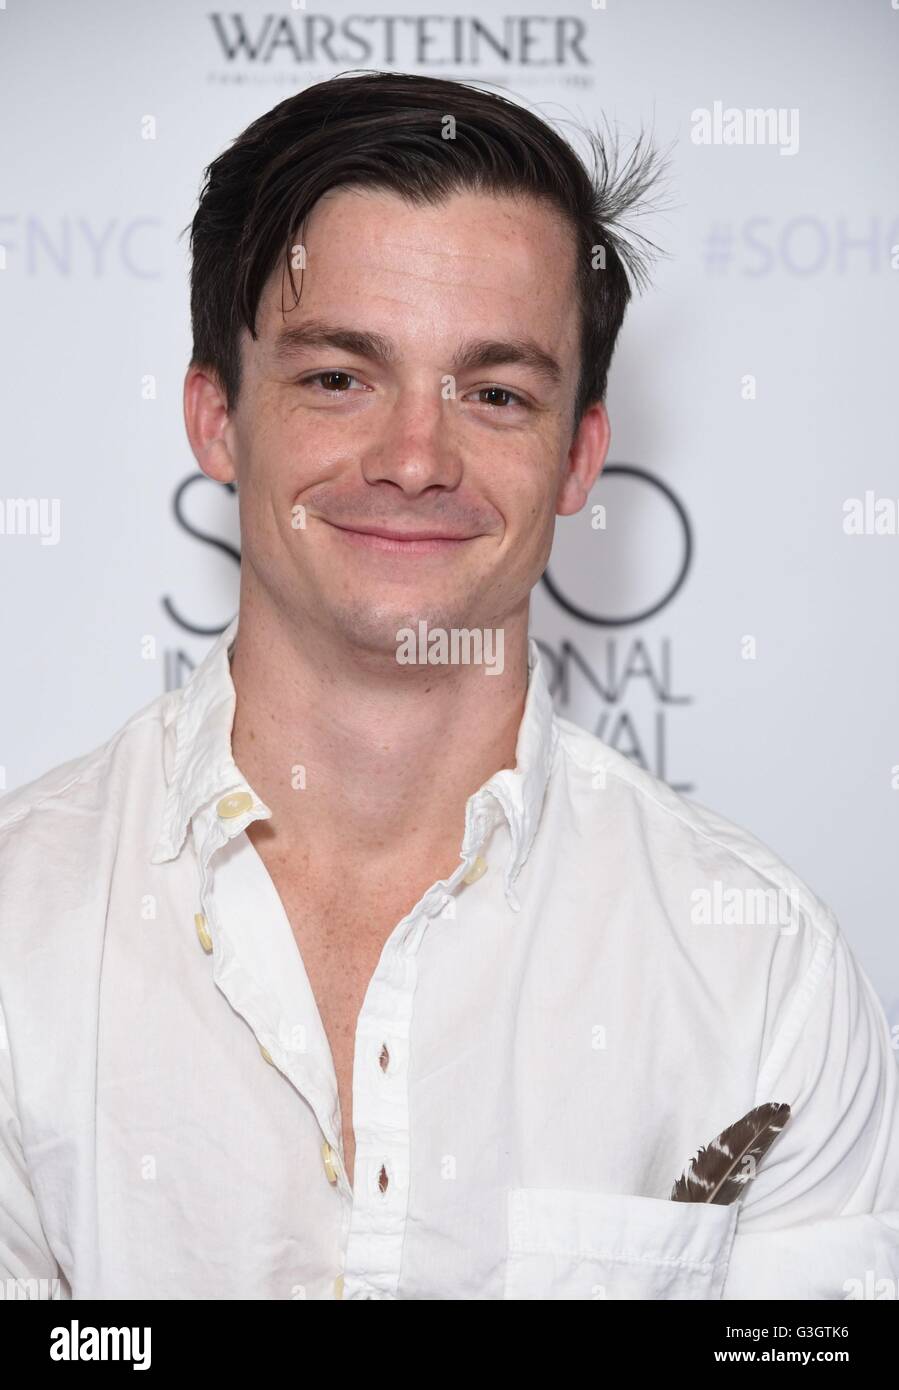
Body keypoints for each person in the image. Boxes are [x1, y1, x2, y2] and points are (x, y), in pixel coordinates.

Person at [1, 71, 896, 1302]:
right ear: (215, 418)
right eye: (337, 378)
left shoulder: (763, 976)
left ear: (578, 454)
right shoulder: (18, 933)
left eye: (493, 393)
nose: (415, 459)